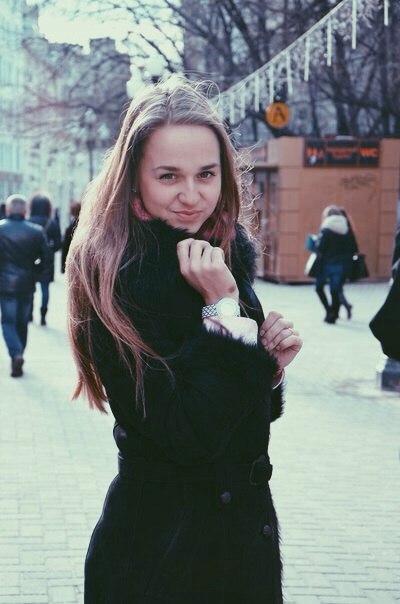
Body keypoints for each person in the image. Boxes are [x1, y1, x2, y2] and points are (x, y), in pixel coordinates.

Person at [66, 75, 302, 604]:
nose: (191, 196)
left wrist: (266, 366)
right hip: (161, 557)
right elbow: (185, 438)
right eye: (168, 175)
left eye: (206, 174)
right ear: (134, 184)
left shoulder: (219, 253)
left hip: (238, 545)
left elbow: (240, 420)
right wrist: (222, 310)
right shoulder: (120, 279)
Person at [0, 194, 49, 377]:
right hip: (27, 284)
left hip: (5, 284)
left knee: (8, 321)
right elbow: (47, 258)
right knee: (22, 322)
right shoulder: (36, 231)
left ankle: (16, 354)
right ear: (25, 210)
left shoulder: (1, 229)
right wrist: (36, 273)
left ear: (8, 209)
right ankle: (19, 353)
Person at [314, 204, 358, 324]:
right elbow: (354, 248)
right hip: (343, 265)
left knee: (319, 288)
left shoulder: (326, 228)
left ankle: (329, 312)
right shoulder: (347, 228)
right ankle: (334, 314)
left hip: (326, 264)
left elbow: (320, 248)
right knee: (335, 290)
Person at [29, 193, 62, 325]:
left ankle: (29, 314)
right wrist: (49, 249)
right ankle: (43, 316)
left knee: (30, 288)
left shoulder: (28, 221)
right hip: (47, 262)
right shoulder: (52, 223)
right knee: (45, 289)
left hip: (30, 259)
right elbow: (58, 244)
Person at [61, 201, 81, 273]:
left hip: (74, 261)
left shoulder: (70, 228)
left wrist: (63, 266)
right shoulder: (86, 225)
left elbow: (66, 248)